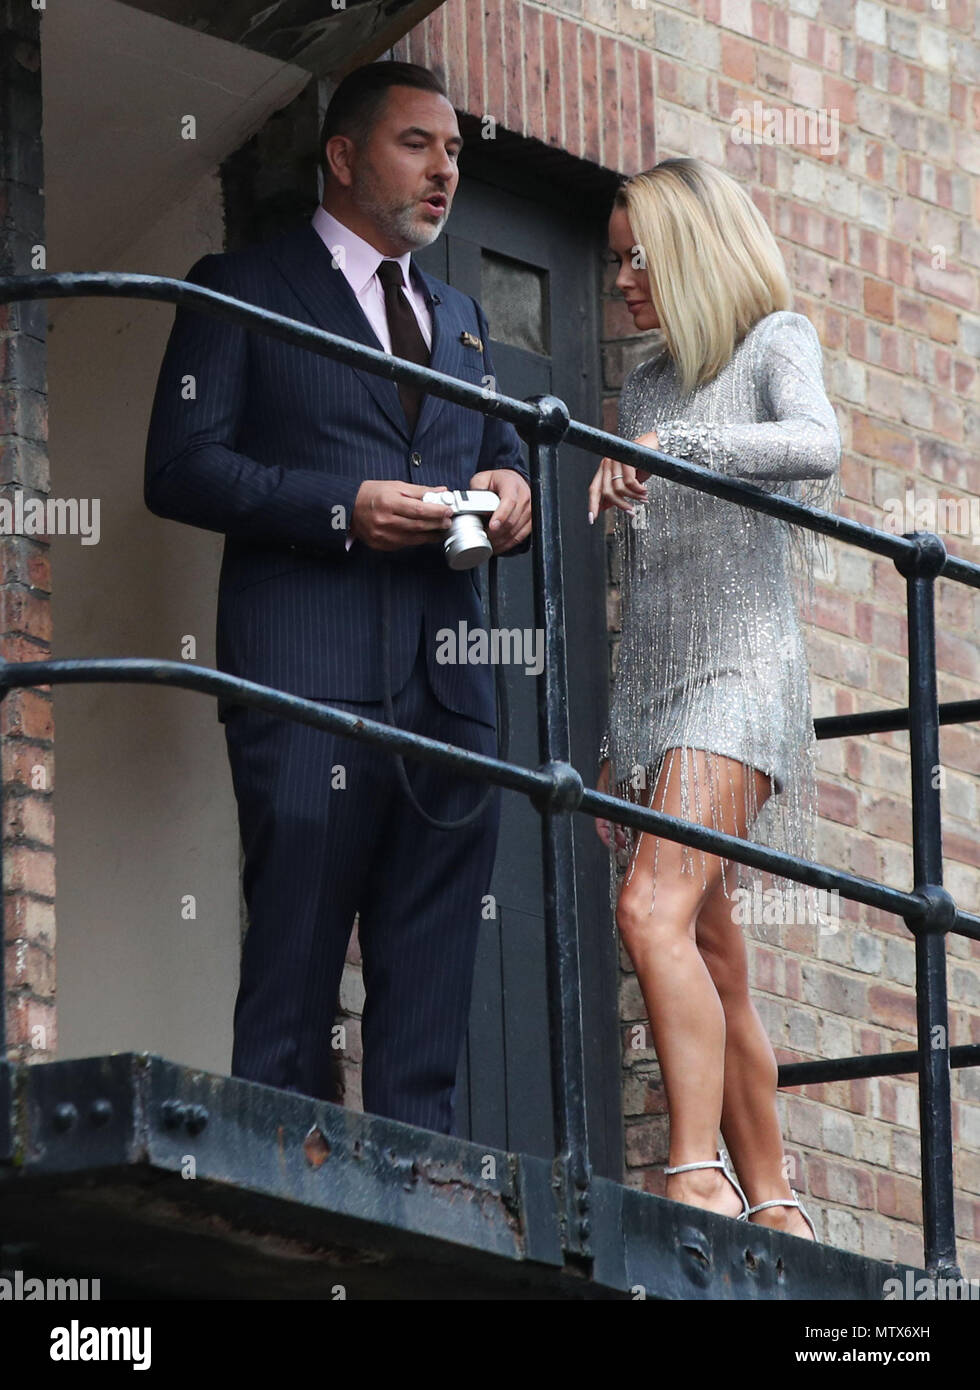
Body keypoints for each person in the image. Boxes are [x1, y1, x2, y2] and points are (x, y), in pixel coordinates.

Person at [144, 61, 532, 1135]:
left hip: (448, 694)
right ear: (345, 157)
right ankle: (279, 1181)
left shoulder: (457, 316)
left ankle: (425, 1188)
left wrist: (511, 488)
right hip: (303, 677)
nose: (444, 169)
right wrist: (339, 509)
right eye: (418, 144)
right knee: (294, 971)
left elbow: (497, 447)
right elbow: (178, 468)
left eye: (453, 151)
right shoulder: (238, 285)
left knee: (428, 981)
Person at [588, 157, 841, 1239]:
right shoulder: (640, 389)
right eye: (611, 263)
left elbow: (814, 445)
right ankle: (776, 1201)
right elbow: (644, 591)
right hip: (659, 688)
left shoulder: (772, 339)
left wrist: (677, 446)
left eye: (636, 258)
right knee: (713, 944)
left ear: (689, 250)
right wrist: (618, 740)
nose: (620, 284)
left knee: (650, 909)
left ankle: (692, 1173)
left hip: (742, 669)